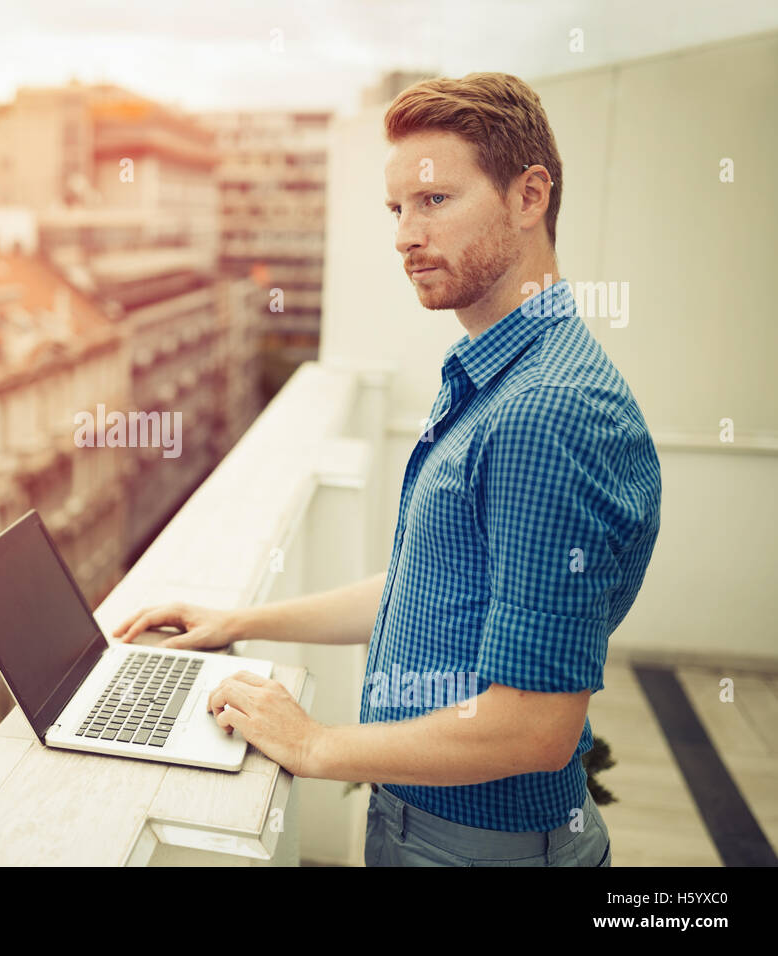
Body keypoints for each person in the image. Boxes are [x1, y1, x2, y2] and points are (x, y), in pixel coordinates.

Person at [113, 72, 660, 867]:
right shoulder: (498, 372)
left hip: (478, 848)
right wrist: (239, 622)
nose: (405, 234)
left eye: (434, 201)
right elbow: (430, 581)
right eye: (396, 209)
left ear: (529, 196)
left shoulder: (546, 412)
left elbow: (535, 726)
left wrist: (317, 743)